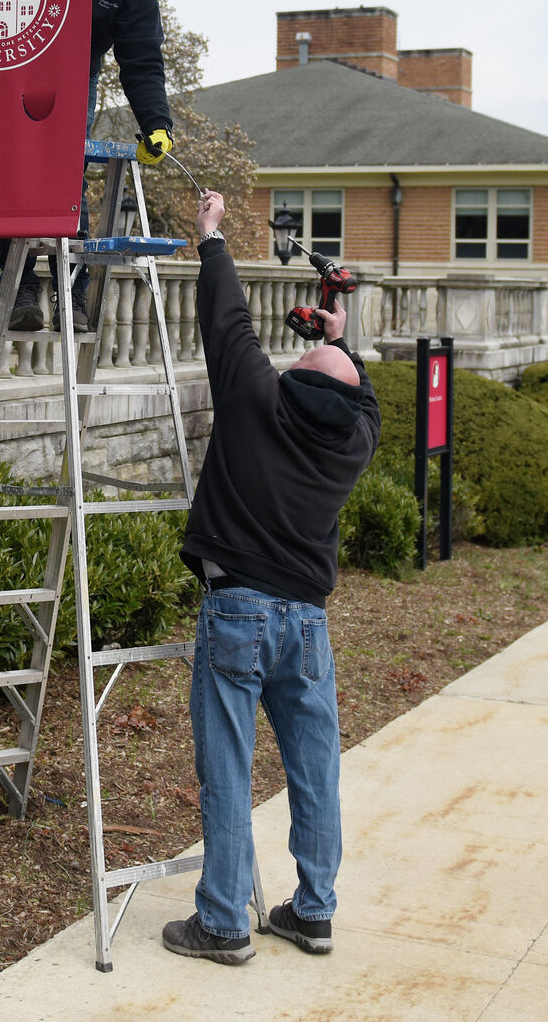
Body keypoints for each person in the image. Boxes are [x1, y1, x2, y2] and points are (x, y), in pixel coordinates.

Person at [162, 188, 380, 966]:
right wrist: (341, 341)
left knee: (226, 760)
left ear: (293, 380)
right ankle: (313, 911)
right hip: (307, 624)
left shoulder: (258, 399)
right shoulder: (351, 444)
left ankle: (223, 921)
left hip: (238, 610)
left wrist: (211, 237)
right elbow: (366, 405)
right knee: (315, 766)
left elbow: (227, 324)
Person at [0, 0, 175, 333]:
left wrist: (157, 121)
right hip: (17, 58)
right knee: (12, 167)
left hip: (78, 71)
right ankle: (20, 286)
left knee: (63, 171)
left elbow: (142, 58)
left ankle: (71, 293)